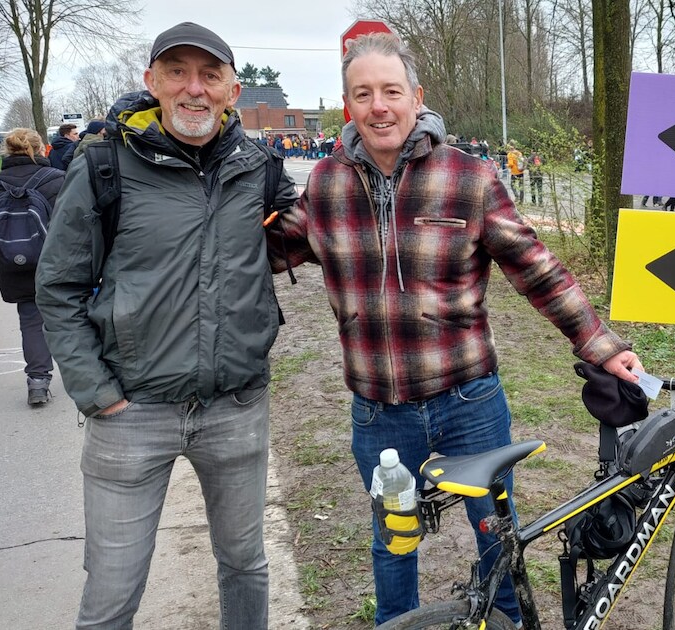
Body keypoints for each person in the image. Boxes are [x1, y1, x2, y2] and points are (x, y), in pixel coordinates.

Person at [267, 32, 643, 627]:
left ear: (416, 98)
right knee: (393, 541)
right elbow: (259, 252)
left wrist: (600, 344)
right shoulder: (326, 187)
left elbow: (536, 268)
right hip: (378, 409)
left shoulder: (468, 178)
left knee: (496, 531)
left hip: (469, 399)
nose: (378, 106)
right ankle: (397, 623)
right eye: (362, 94)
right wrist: (237, 193)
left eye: (391, 91)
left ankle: (509, 620)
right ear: (348, 106)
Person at [34, 22, 297, 628]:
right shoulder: (104, 165)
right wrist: (96, 393)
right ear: (152, 82)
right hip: (132, 413)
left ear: (234, 90)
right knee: (111, 595)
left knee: (245, 566)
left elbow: (324, 220)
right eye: (177, 72)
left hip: (235, 406)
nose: (193, 89)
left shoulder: (258, 167)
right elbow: (59, 286)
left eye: (209, 75)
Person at [0, 128, 65, 405]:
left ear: (6, 151)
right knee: (74, 317)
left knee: (30, 320)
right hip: (58, 262)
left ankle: (38, 381)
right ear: (41, 150)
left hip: (17, 264)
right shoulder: (58, 180)